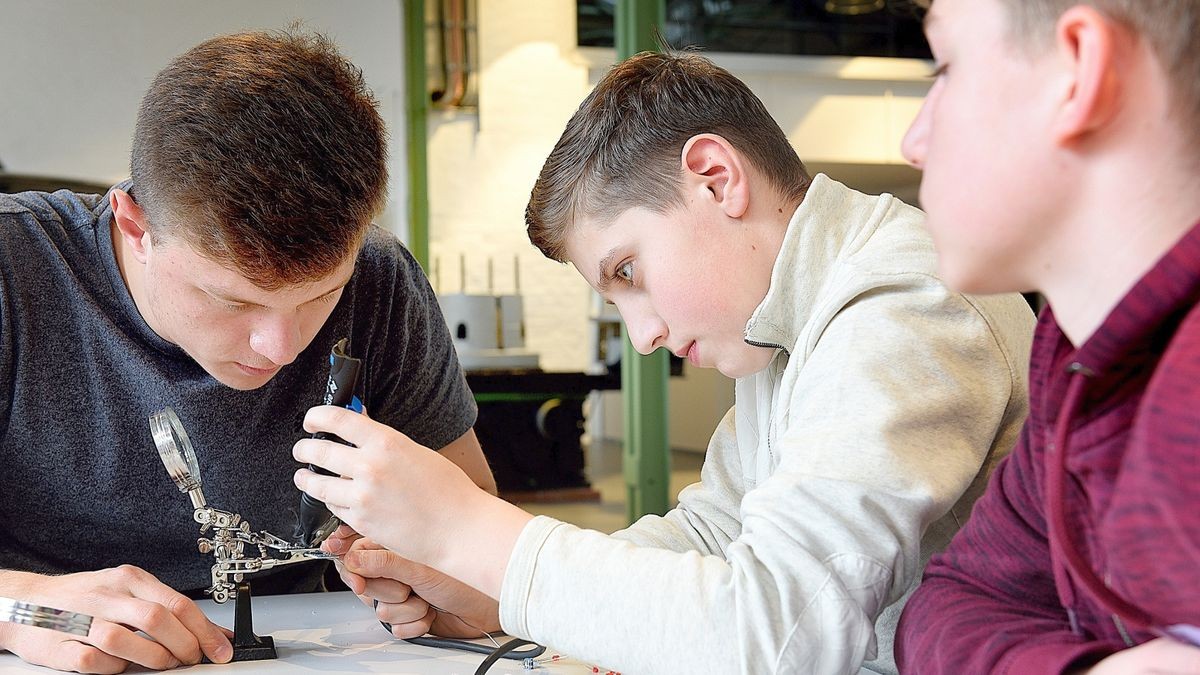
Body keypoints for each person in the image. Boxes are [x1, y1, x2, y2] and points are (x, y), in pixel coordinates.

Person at [294, 51, 1036, 674]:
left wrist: (472, 532)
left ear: (715, 177)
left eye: (628, 272)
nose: (642, 335)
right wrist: (494, 592)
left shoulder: (902, 302)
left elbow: (777, 637)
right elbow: (713, 535)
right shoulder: (786, 324)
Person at [0, 30, 497, 674]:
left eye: (321, 296)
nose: (281, 349)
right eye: (232, 301)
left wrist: (448, 580)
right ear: (134, 225)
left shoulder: (380, 278)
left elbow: (478, 519)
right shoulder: (14, 270)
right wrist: (21, 605)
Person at [893, 0, 1200, 673]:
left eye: (944, 68)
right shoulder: (1077, 371)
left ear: (1078, 71)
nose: (912, 141)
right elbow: (952, 599)